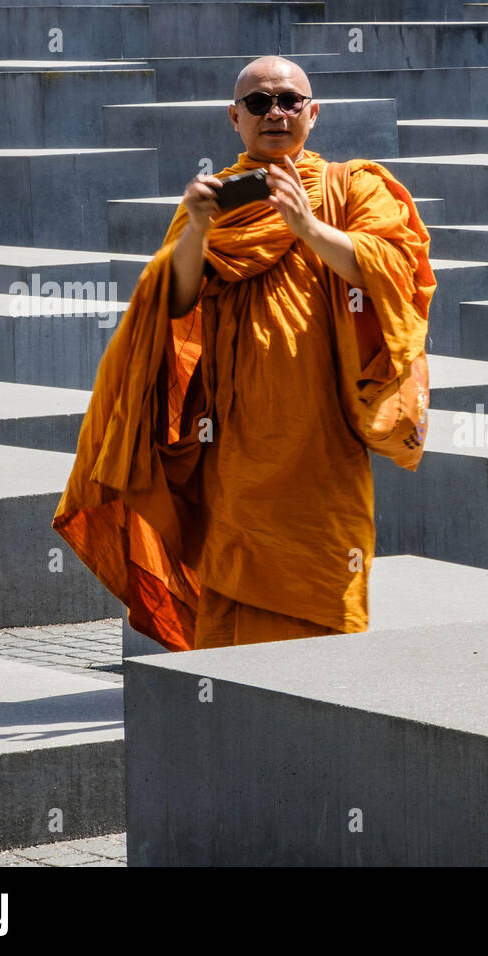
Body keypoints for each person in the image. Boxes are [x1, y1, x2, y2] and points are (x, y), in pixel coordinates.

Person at [53, 55, 436, 650]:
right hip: (234, 441)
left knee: (326, 577)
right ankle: (237, 710)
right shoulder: (214, 201)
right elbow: (173, 299)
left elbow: (391, 268)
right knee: (233, 581)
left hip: (323, 437)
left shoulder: (353, 186)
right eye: (258, 103)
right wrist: (200, 231)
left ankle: (324, 709)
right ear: (235, 118)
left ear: (314, 113)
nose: (275, 113)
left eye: (288, 101)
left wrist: (307, 227)